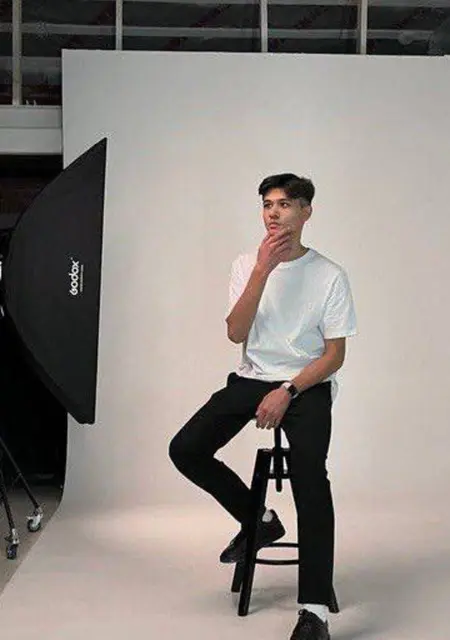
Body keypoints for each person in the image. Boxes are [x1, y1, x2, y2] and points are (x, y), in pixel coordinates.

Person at [169, 173, 358, 640]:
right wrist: (261, 271)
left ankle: (314, 611)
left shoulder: (330, 275)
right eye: (267, 204)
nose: (274, 213)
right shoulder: (245, 265)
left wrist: (288, 390)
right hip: (253, 378)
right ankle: (260, 522)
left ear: (306, 212)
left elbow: (334, 356)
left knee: (310, 478)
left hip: (306, 385)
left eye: (285, 204)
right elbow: (236, 332)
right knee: (186, 449)